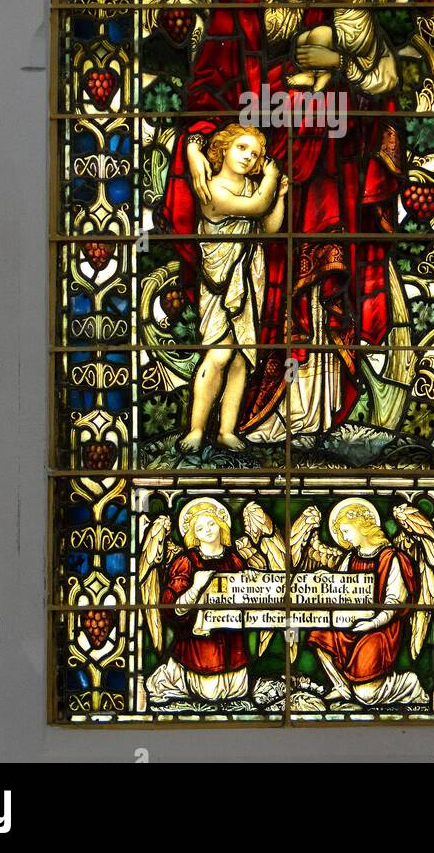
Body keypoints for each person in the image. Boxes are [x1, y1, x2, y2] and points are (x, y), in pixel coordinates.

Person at [160, 0, 403, 443]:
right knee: (262, 270)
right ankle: (252, 416)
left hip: (323, 150)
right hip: (258, 143)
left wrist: (336, 62)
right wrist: (200, 139)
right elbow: (211, 76)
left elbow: (370, 73)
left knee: (319, 271)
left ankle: (310, 410)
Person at [181, 124, 288, 452]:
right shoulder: (212, 190)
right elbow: (256, 208)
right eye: (241, 148)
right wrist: (271, 180)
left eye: (254, 154)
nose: (247, 157)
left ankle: (227, 431)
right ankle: (196, 429)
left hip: (249, 282)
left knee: (242, 357)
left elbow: (267, 226)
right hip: (219, 285)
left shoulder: (256, 188)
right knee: (219, 354)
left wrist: (279, 196)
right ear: (223, 149)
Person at [306, 499, 428, 707]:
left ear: (361, 528)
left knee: (368, 696)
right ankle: (343, 688)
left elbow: (395, 602)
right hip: (352, 622)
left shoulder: (391, 558)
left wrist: (372, 623)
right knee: (319, 635)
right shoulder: (350, 558)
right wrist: (324, 580)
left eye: (347, 531)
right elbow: (340, 589)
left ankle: (408, 684)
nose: (344, 538)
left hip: (381, 629)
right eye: (341, 533)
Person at [145, 500, 249, 705]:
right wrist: (196, 587)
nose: (207, 530)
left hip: (232, 642)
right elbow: (172, 609)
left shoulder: (235, 560)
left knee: (238, 690)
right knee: (209, 694)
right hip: (198, 648)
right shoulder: (186, 561)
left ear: (221, 524)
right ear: (194, 534)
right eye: (200, 528)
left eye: (211, 523)